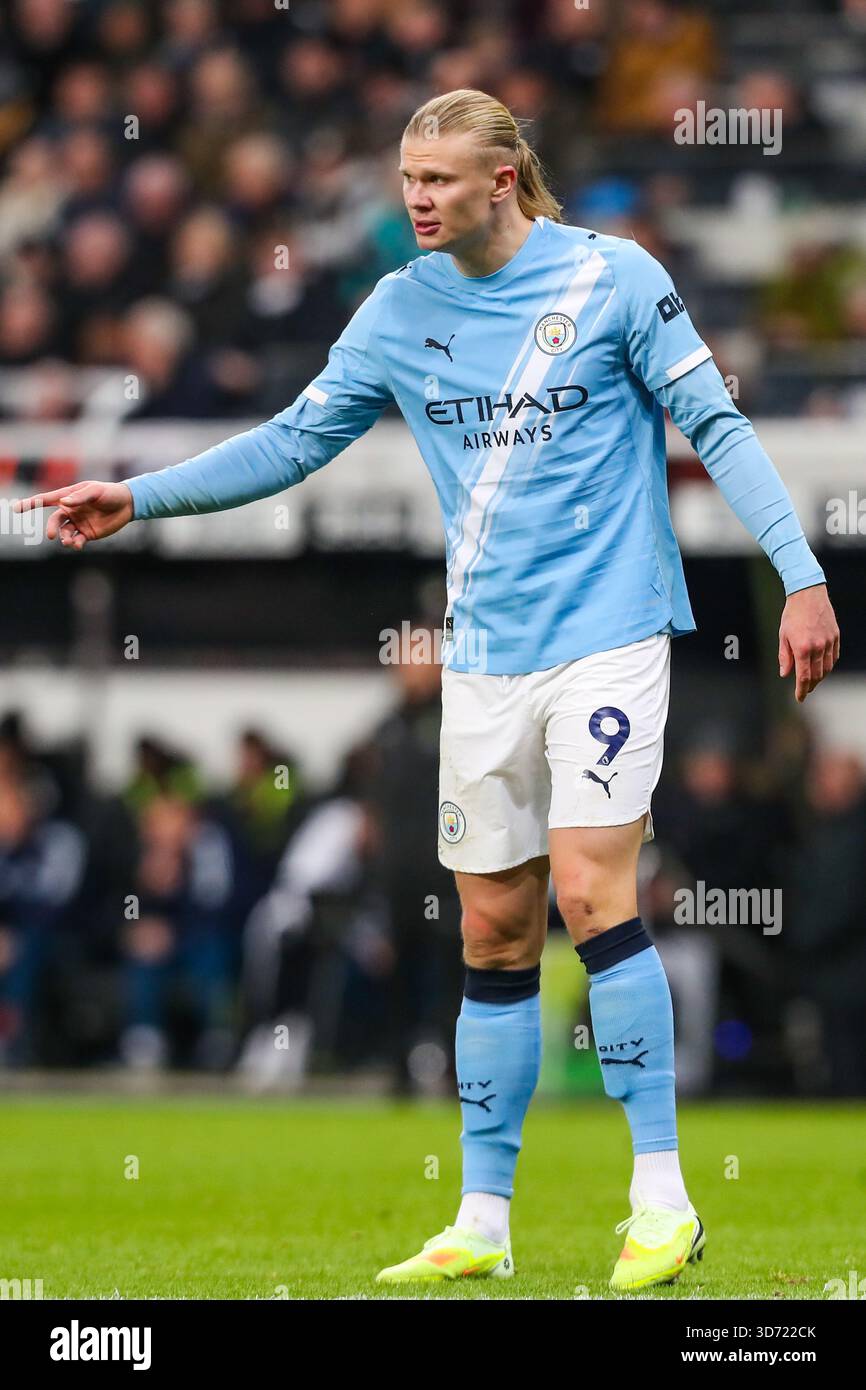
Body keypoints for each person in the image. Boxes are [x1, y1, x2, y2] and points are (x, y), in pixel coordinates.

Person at [15, 88, 840, 1291]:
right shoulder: (399, 309)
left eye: (438, 180)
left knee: (589, 886)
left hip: (607, 636)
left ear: (500, 181)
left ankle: (660, 1199)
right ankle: (482, 1218)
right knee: (494, 930)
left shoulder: (610, 279)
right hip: (484, 657)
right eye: (406, 177)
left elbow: (714, 424)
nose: (413, 198)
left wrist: (801, 574)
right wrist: (139, 496)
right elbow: (292, 440)